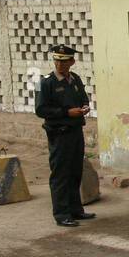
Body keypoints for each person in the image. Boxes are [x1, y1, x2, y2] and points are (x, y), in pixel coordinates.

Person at [34, 44, 95, 227]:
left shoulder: (75, 79)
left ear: (72, 62)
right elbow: (41, 109)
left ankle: (76, 209)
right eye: (57, 61)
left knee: (75, 171)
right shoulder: (44, 82)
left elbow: (83, 98)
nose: (60, 65)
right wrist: (67, 113)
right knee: (61, 174)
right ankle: (61, 214)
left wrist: (84, 108)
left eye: (64, 61)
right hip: (59, 133)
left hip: (75, 131)